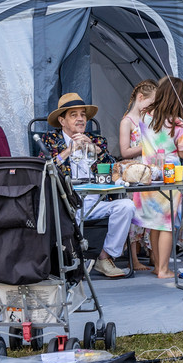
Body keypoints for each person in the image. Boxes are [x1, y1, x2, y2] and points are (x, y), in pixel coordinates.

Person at [41, 92, 134, 278]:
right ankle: (73, 261)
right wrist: (69, 150)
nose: (80, 119)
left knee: (127, 206)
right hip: (66, 204)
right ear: (62, 120)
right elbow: (44, 168)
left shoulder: (97, 140)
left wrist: (94, 148)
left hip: (95, 200)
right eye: (74, 115)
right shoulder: (50, 140)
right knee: (61, 216)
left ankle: (104, 257)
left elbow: (112, 168)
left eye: (83, 114)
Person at [135, 77, 183, 278]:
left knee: (154, 223)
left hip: (148, 174)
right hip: (169, 174)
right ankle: (164, 269)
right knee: (167, 224)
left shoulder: (145, 116)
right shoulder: (178, 123)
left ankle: (158, 265)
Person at [118, 80, 157, 271]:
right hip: (134, 173)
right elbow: (124, 151)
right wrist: (147, 146)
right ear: (140, 98)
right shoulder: (127, 122)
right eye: (150, 104)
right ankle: (133, 257)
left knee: (149, 214)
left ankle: (152, 253)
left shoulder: (147, 120)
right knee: (135, 217)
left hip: (148, 172)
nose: (151, 108)